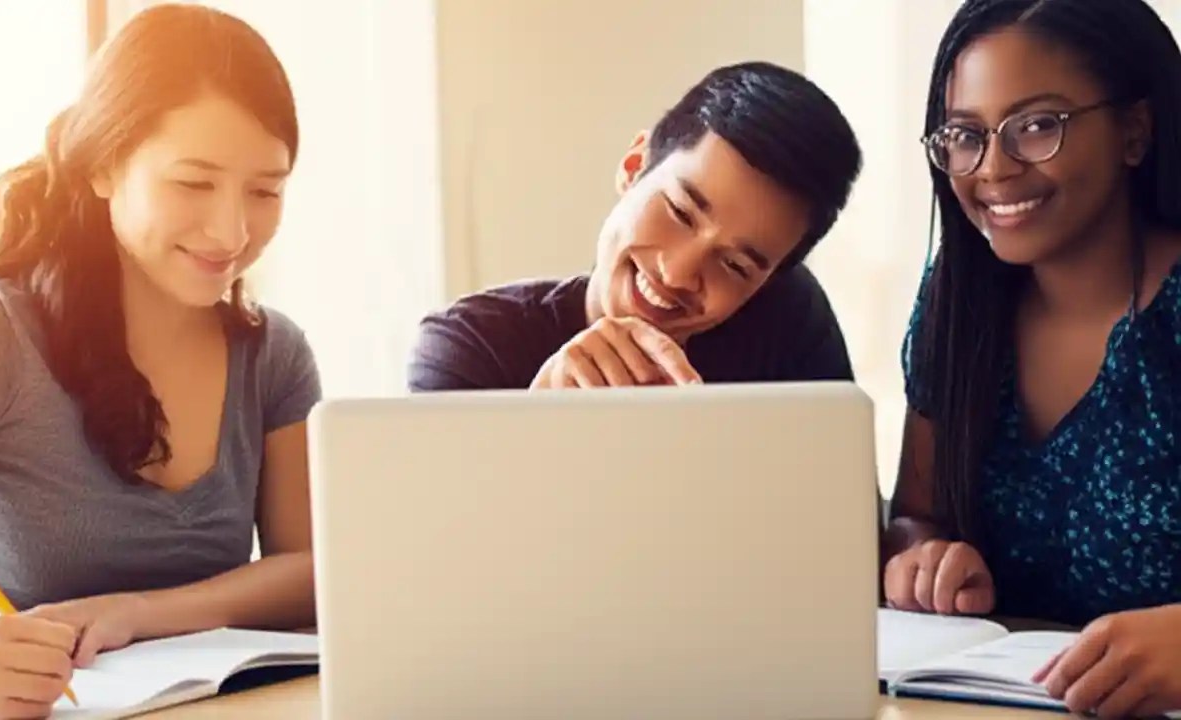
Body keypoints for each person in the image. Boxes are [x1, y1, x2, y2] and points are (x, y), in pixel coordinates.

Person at [0, 5, 320, 718]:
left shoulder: (272, 354)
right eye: (193, 183)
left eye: (265, 191)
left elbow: (311, 573)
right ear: (102, 167)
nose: (233, 231)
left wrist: (135, 611)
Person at [883, 0, 1181, 716]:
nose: (992, 169)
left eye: (1037, 126)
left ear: (1134, 131)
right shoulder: (959, 303)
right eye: (965, 135)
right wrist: (924, 559)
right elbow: (917, 515)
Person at [407, 61, 862, 391]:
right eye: (681, 212)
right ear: (633, 165)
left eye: (735, 265)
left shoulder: (788, 323)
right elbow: (427, 523)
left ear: (767, 283)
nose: (678, 274)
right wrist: (538, 425)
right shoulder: (470, 347)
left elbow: (842, 515)